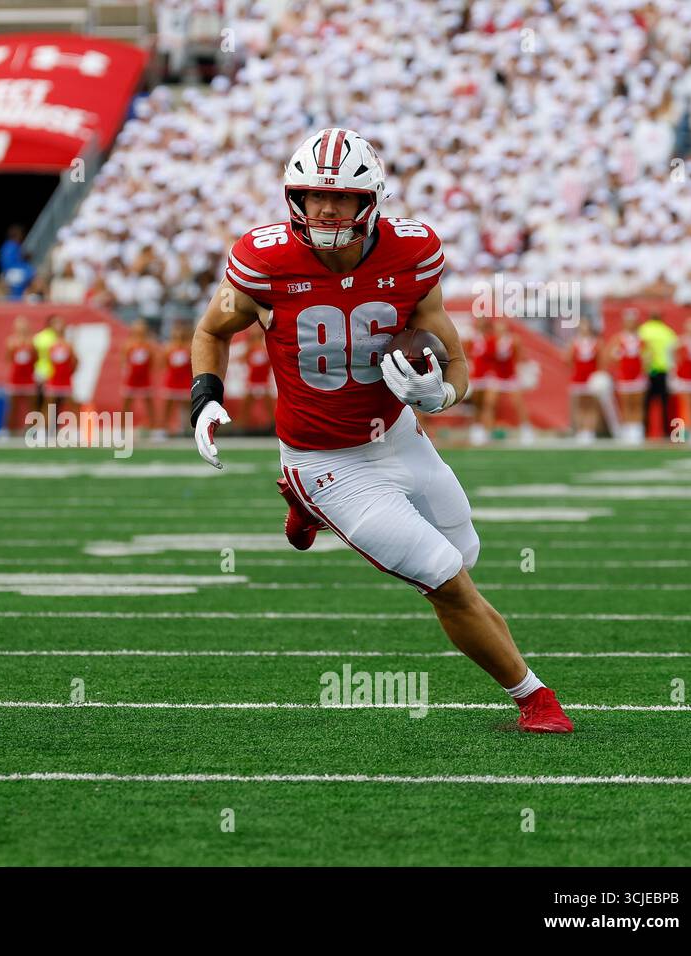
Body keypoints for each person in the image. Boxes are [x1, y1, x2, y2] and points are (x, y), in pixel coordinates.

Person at [189, 127, 572, 734]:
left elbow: (457, 362)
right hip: (323, 459)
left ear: (371, 201)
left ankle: (303, 510)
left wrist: (440, 394)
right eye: (313, 195)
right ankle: (534, 697)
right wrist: (204, 398)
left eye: (339, 197)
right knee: (444, 578)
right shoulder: (266, 260)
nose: (324, 208)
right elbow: (212, 330)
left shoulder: (411, 253)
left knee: (466, 552)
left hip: (398, 436)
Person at [480, 316, 532, 444]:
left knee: (518, 404)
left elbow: (519, 356)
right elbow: (487, 357)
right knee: (489, 403)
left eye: (502, 326)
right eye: (497, 326)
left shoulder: (514, 340)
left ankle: (526, 430)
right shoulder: (491, 340)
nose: (499, 328)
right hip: (496, 376)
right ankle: (487, 431)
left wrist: (520, 371)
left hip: (510, 376)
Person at [608, 310, 646, 443]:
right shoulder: (619, 338)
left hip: (638, 376)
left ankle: (637, 428)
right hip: (624, 376)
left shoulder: (641, 338)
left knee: (637, 403)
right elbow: (610, 356)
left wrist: (644, 361)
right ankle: (628, 427)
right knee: (626, 403)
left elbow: (648, 355)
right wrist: (617, 356)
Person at [639, 310, 677, 440]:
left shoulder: (643, 330)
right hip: (663, 370)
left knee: (646, 403)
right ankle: (666, 431)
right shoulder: (667, 332)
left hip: (649, 370)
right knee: (665, 403)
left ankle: (644, 431)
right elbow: (673, 352)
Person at [564, 323, 601, 443]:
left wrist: (597, 376)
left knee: (591, 405)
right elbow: (567, 359)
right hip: (578, 379)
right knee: (579, 406)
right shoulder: (574, 343)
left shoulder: (596, 343)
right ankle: (580, 431)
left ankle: (590, 431)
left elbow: (601, 361)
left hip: (591, 380)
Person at [121, 318, 156, 431]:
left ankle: (153, 427)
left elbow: (152, 362)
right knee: (127, 403)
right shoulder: (129, 344)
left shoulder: (148, 345)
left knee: (149, 403)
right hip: (131, 379)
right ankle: (123, 428)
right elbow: (124, 361)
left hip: (144, 378)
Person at [5, 315, 37, 434]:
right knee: (13, 406)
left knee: (31, 406)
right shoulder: (11, 341)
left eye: (24, 325)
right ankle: (9, 430)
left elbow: (35, 358)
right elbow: (8, 358)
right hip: (15, 378)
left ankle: (32, 430)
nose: (22, 328)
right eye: (19, 325)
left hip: (28, 378)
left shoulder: (32, 341)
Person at [160, 320, 193, 435]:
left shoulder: (190, 348)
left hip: (185, 381)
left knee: (187, 406)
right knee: (168, 406)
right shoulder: (169, 348)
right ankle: (163, 429)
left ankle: (186, 428)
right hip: (172, 381)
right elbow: (164, 364)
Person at [464, 315, 492, 445]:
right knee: (477, 404)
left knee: (488, 404)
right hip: (477, 376)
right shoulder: (472, 339)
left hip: (489, 376)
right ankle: (477, 429)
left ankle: (487, 430)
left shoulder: (491, 338)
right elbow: (467, 356)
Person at [242, 321, 274, 433]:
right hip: (252, 382)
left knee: (268, 406)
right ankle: (243, 427)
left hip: (263, 382)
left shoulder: (265, 349)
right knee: (246, 406)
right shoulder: (250, 349)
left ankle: (272, 426)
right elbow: (245, 361)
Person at [43, 318, 77, 417]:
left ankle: (77, 429)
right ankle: (44, 429)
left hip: (65, 379)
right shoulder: (50, 344)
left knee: (72, 404)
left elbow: (75, 361)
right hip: (53, 379)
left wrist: (69, 372)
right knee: (49, 405)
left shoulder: (68, 344)